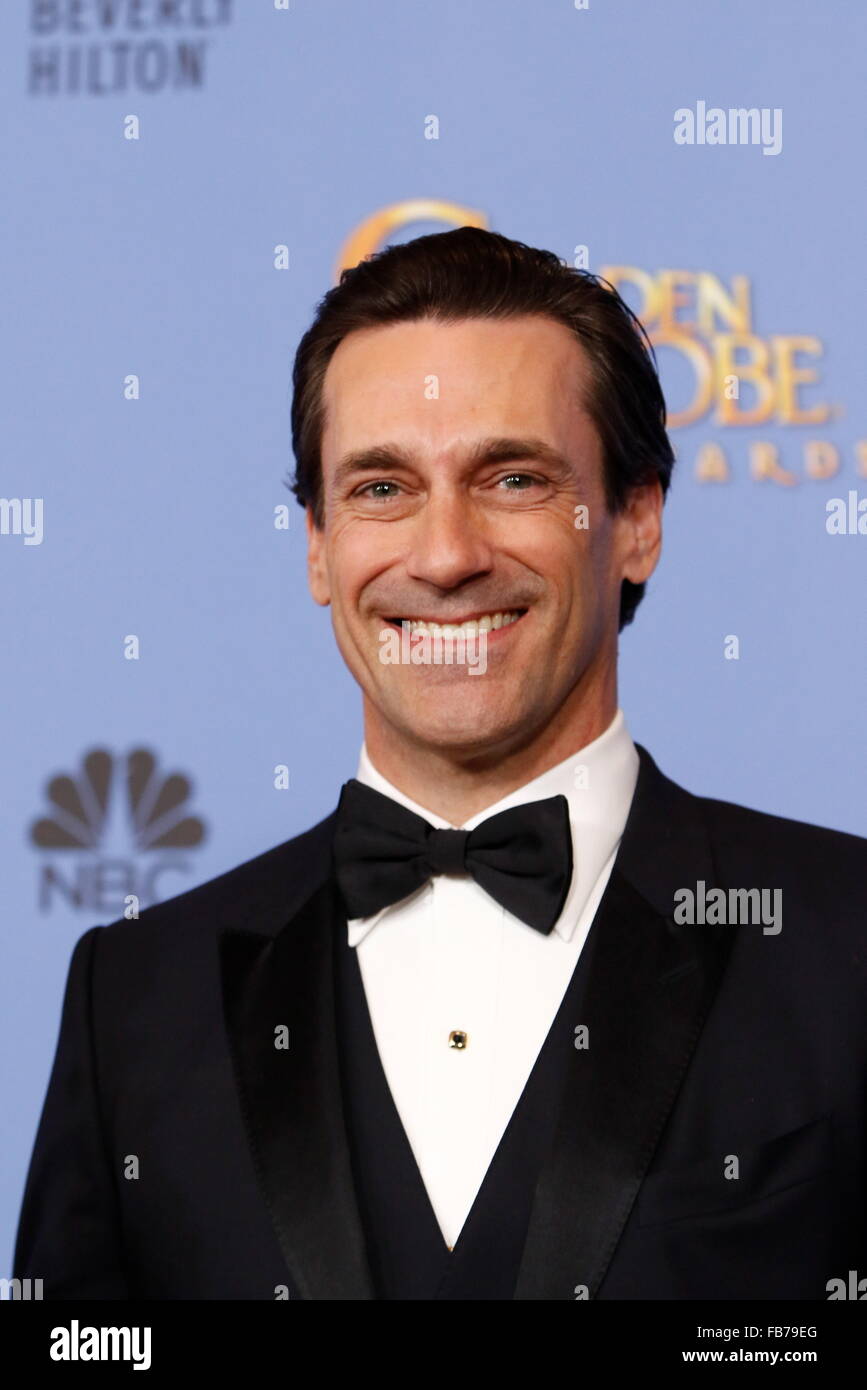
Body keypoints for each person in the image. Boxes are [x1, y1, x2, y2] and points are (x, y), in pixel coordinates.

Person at [14, 228, 866, 1300]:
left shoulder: (844, 942)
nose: (447, 553)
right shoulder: (136, 998)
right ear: (318, 546)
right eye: (381, 488)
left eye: (512, 477)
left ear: (637, 519)